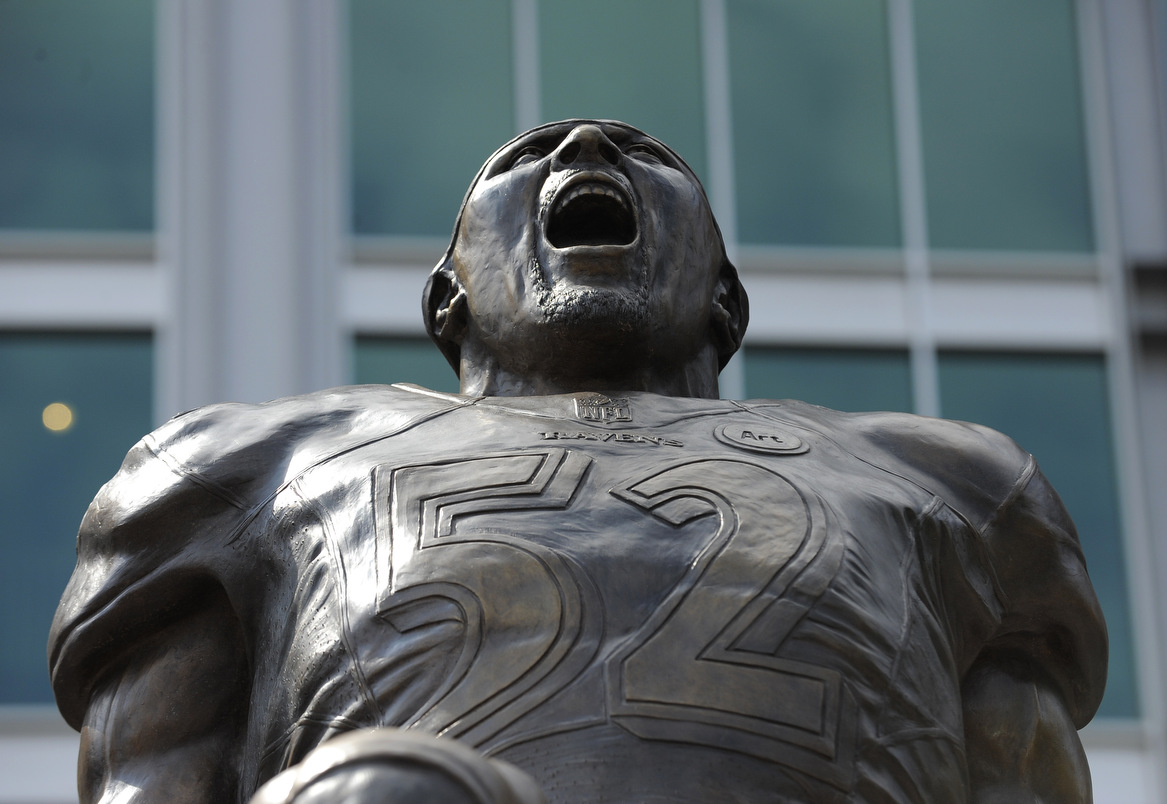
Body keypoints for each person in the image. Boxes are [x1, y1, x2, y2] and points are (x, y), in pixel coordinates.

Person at [50, 119, 1106, 803]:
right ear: (450, 301)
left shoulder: (943, 487)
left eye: (647, 155)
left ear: (725, 301)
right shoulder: (256, 471)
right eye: (525, 158)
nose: (588, 147)